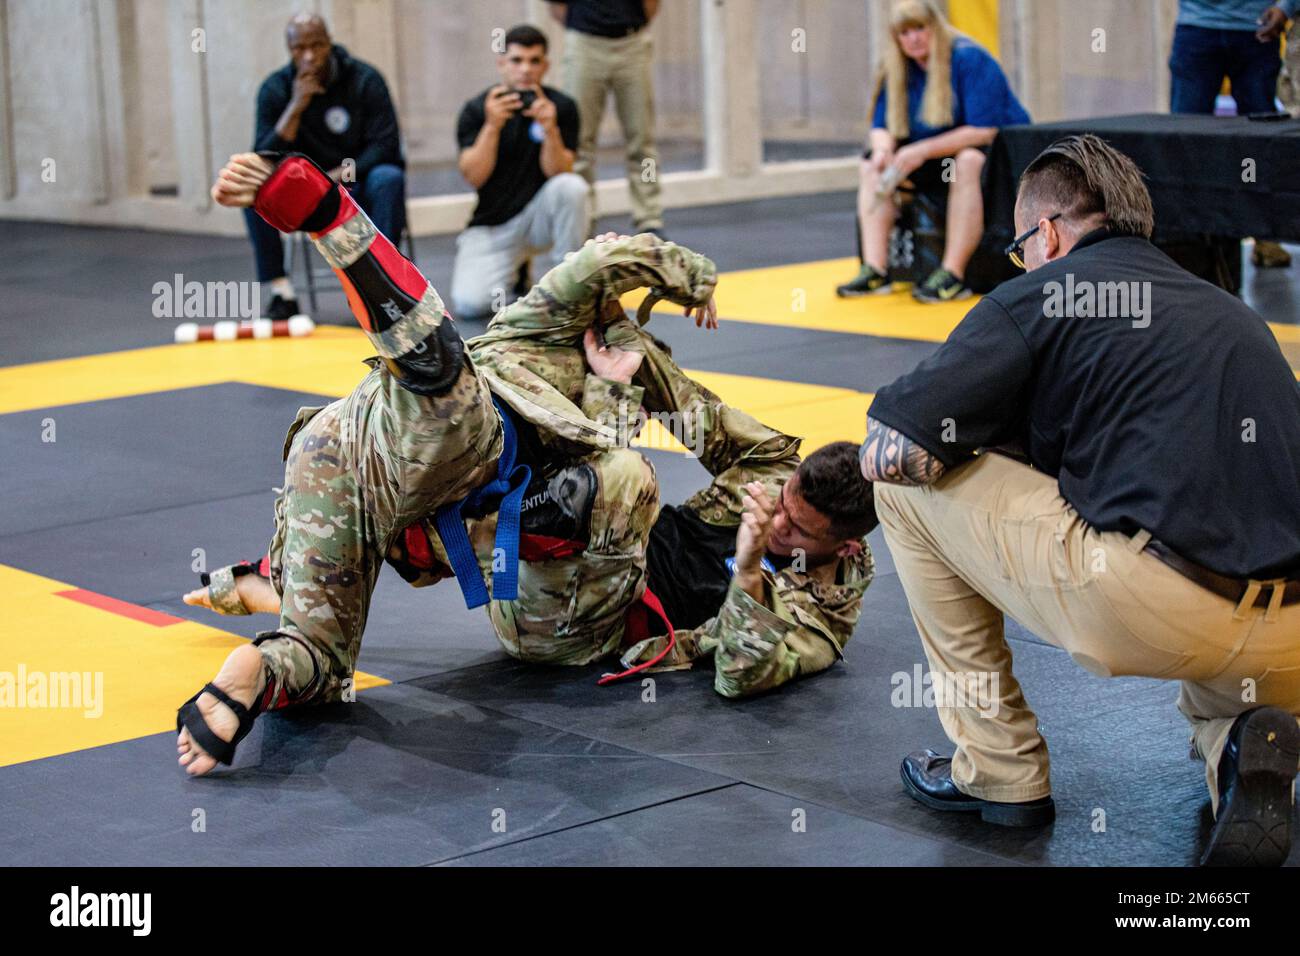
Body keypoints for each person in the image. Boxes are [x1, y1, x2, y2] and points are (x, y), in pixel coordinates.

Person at [178, 150, 718, 778]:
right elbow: (608, 269)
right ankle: (329, 212)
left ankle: (253, 672)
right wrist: (690, 286)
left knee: (318, 664)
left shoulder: (564, 345)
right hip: (436, 440)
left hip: (332, 456)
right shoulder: (535, 328)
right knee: (436, 369)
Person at [860, 134, 1300, 866]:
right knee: (1212, 527)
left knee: (906, 497)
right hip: (1291, 636)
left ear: (1049, 233)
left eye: (1021, 249)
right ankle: (1236, 752)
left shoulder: (1039, 293)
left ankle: (998, 772)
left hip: (1148, 607)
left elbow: (895, 448)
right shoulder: (1230, 312)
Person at [188, 295, 879, 701]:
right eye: (781, 503)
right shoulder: (777, 474)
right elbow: (699, 416)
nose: (776, 517)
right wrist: (635, 362)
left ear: (843, 545)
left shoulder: (821, 618)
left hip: (580, 627)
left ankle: (390, 546)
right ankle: (310, 567)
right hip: (583, 541)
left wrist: (756, 563)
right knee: (500, 445)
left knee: (618, 476)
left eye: (798, 529)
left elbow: (740, 674)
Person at [836, 0, 1029, 304]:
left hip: (994, 161)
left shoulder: (969, 58)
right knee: (872, 165)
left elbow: (985, 129)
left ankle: (952, 275)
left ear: (935, 28)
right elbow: (880, 124)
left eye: (919, 29)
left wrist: (921, 150)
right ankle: (875, 269)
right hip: (932, 159)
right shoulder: (897, 67)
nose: (913, 38)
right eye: (905, 32)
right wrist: (884, 149)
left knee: (967, 160)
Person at [246, 13, 406, 320]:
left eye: (317, 45)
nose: (309, 56)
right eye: (299, 48)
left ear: (329, 43)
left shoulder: (364, 80)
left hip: (357, 180)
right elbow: (263, 156)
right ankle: (282, 293)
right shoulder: (276, 89)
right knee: (252, 186)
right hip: (304, 191)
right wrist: (296, 106)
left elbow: (385, 145)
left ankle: (385, 287)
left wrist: (339, 175)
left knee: (389, 177)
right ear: (289, 49)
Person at [450, 24, 588, 319]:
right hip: (494, 223)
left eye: (534, 61)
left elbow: (560, 172)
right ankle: (516, 275)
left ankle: (567, 289)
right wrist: (492, 126)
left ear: (545, 65)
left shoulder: (561, 107)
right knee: (469, 303)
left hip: (539, 218)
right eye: (516, 60)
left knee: (573, 187)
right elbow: (473, 177)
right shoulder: (477, 109)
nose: (525, 69)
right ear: (502, 64)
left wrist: (550, 130)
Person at [1169, 0, 1296, 268]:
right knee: (1186, 137)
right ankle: (1186, 237)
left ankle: (1265, 233)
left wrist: (1285, 8)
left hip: (1258, 25)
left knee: (1261, 139)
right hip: (1197, 25)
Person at [547, 0, 666, 236]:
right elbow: (557, 8)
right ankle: (583, 219)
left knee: (643, 141)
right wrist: (589, 28)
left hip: (632, 43)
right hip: (584, 44)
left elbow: (652, 4)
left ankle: (649, 217)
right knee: (579, 142)